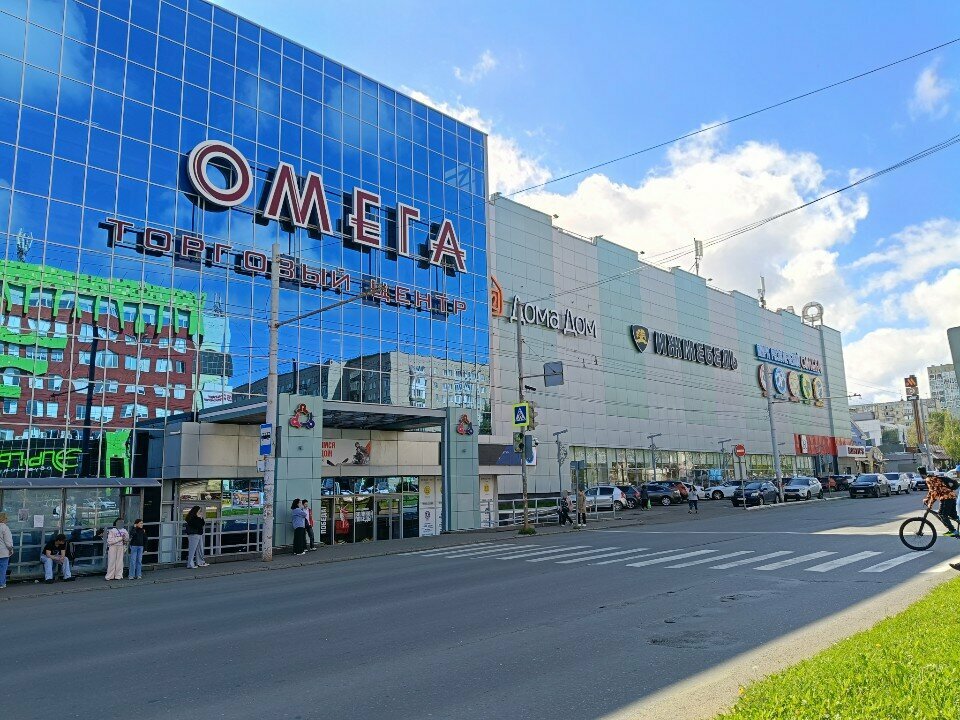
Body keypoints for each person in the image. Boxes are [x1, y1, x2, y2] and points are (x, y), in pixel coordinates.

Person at [0, 512, 13, 589]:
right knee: (2, 569)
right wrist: (11, 549)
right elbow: (8, 542)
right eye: (6, 518)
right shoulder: (5, 528)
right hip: (3, 552)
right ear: (4, 519)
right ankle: (1, 583)